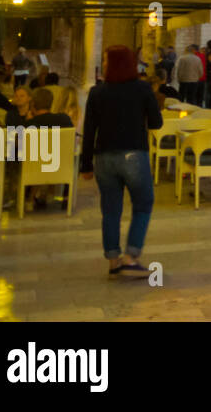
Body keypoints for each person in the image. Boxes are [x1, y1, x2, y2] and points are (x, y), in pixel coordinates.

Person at [80, 46, 162, 279]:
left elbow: (89, 131)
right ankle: (131, 257)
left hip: (104, 157)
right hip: (133, 154)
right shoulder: (142, 89)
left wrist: (85, 165)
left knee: (110, 210)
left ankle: (113, 262)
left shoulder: (97, 93)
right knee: (144, 203)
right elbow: (156, 123)